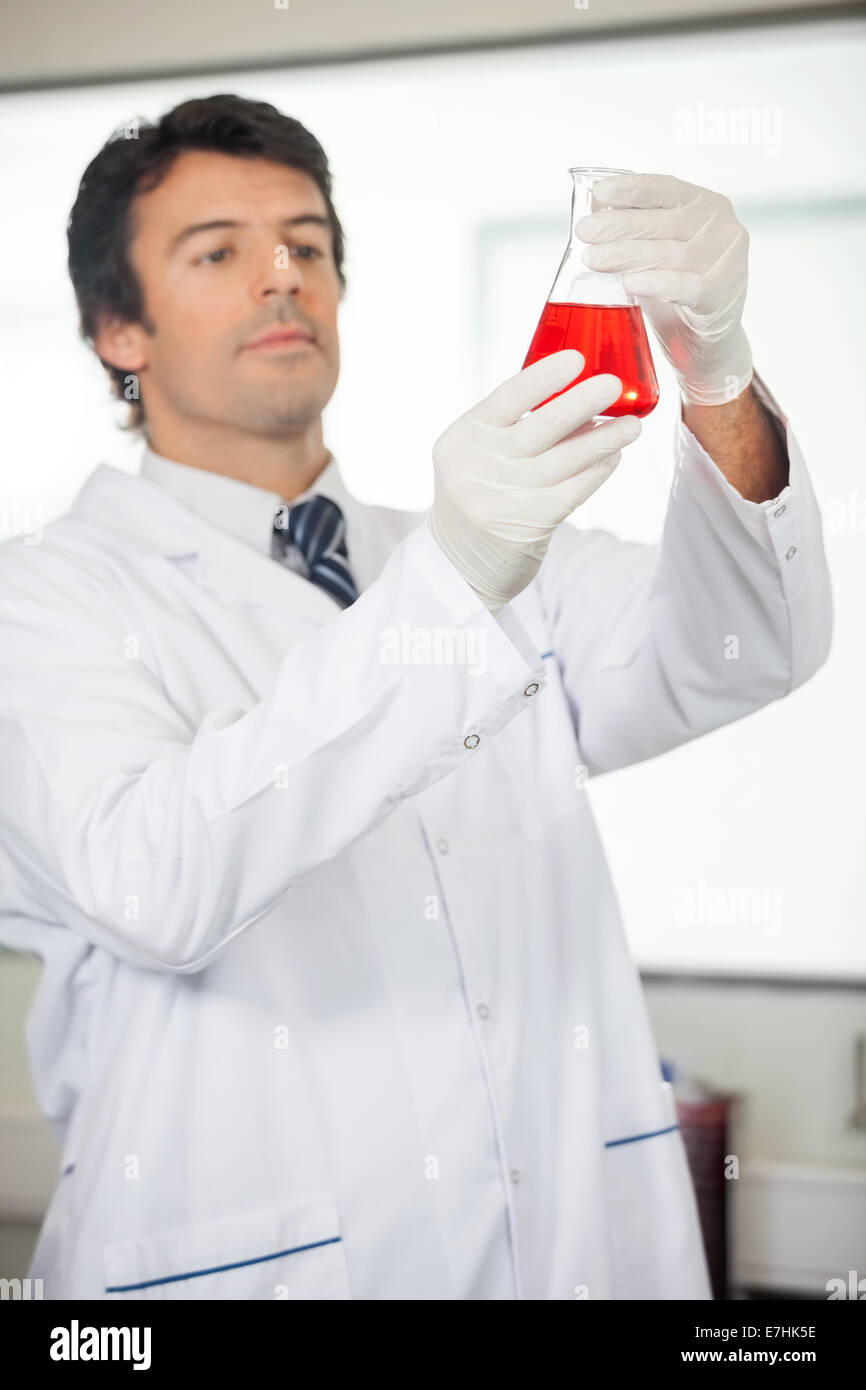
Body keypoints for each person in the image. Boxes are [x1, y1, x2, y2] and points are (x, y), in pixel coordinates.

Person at [0, 94, 831, 1301]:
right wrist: (453, 578)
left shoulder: (480, 552)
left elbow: (747, 642)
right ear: (117, 329)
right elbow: (152, 879)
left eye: (307, 243)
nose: (280, 277)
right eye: (217, 251)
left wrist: (717, 371)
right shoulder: (41, 599)